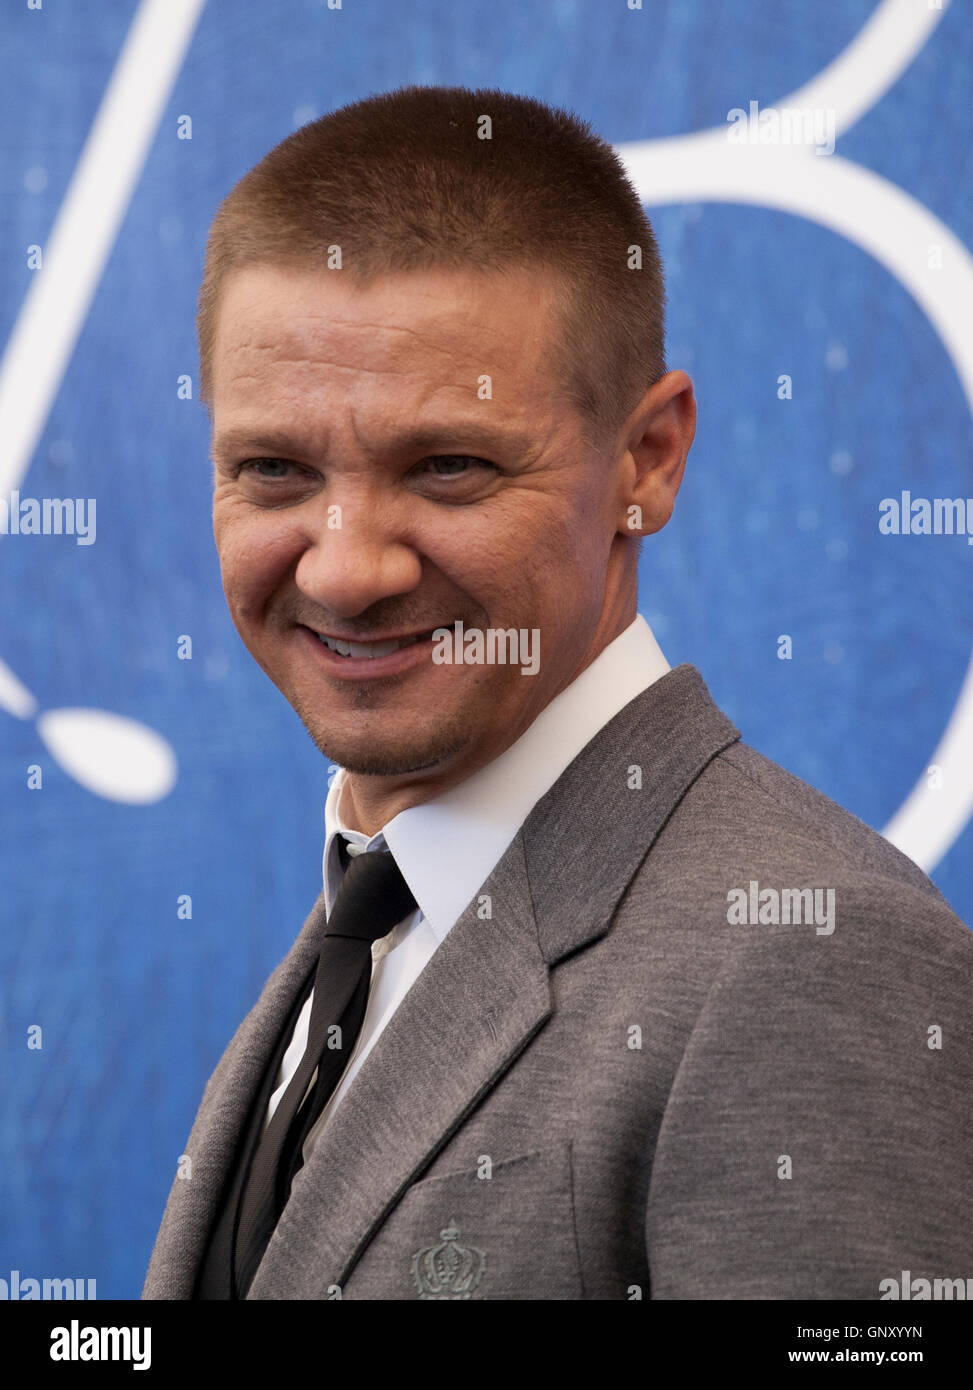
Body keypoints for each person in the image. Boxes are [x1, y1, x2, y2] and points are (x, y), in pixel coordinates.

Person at [142, 84, 973, 1301]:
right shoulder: (373, 917)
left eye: (449, 468)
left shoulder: (812, 957)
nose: (346, 567)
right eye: (273, 469)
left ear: (648, 460)